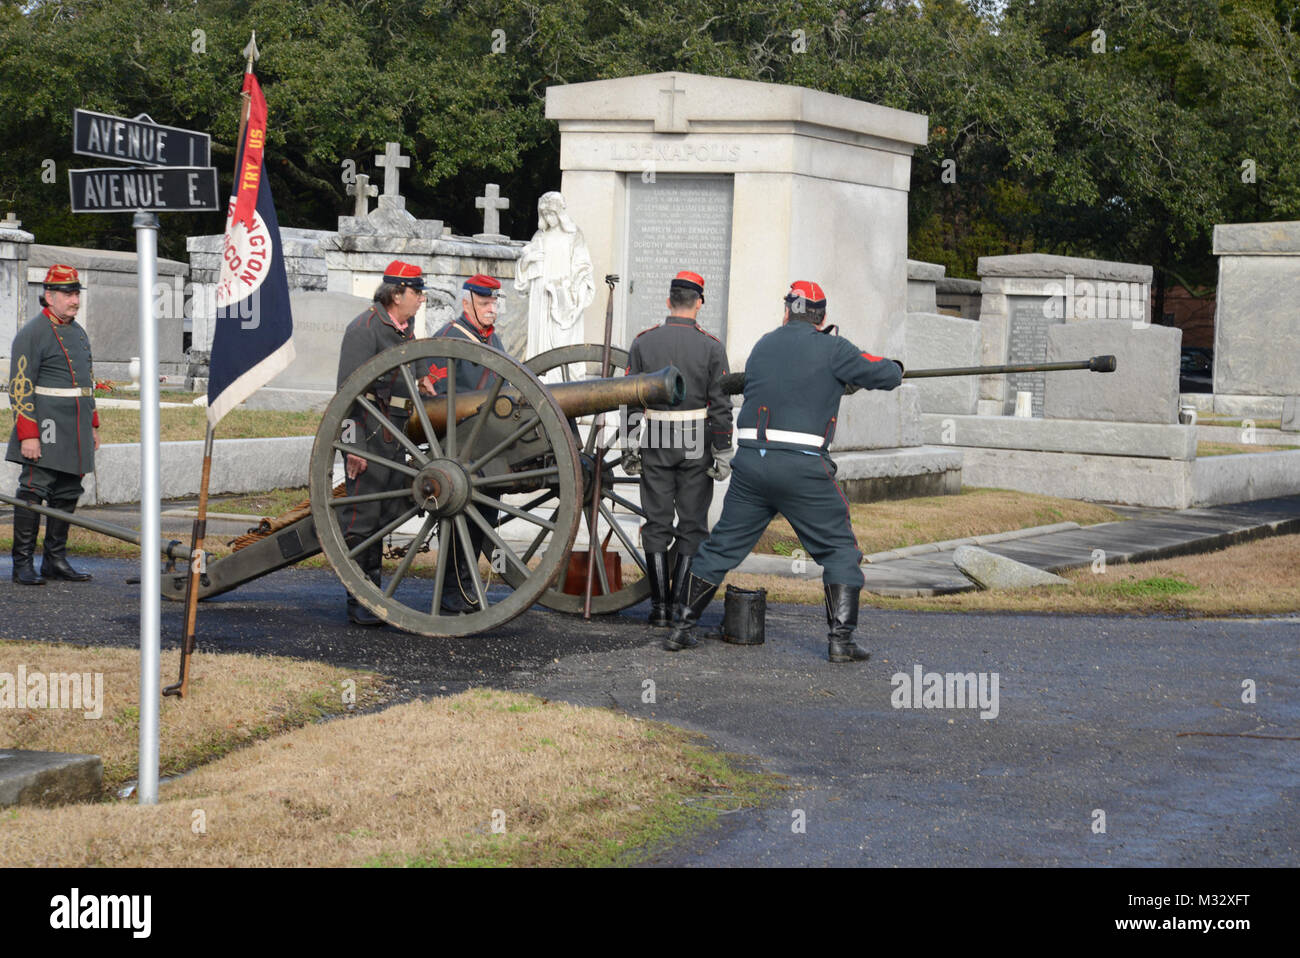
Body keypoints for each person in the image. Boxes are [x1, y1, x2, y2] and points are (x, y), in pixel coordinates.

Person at [663, 280, 903, 662]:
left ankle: (681, 628)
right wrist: (896, 368)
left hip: (753, 466)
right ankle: (841, 642)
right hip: (803, 467)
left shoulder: (764, 345)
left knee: (721, 547)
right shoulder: (833, 348)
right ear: (821, 318)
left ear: (787, 311)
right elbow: (883, 374)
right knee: (839, 549)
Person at [623, 271, 733, 627]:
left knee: (656, 521)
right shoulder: (712, 347)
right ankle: (678, 608)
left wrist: (630, 444)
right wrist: (722, 449)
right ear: (699, 303)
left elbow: (630, 400)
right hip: (694, 439)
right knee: (691, 524)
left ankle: (657, 608)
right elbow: (720, 404)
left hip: (655, 436)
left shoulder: (644, 343)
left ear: (669, 301)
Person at [335, 260, 429, 626]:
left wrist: (425, 380)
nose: (421, 299)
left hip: (396, 435)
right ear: (396, 294)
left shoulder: (404, 328)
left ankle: (371, 594)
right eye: (416, 292)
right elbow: (346, 394)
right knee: (363, 520)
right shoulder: (364, 330)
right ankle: (360, 601)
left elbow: (415, 362)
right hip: (369, 437)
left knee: (385, 515)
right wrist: (351, 448)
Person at [6, 264, 100, 585]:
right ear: (49, 296)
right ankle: (22, 564)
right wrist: (28, 434)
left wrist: (93, 424)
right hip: (44, 425)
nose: (74, 300)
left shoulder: (77, 331)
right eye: (67, 294)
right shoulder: (32, 333)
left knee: (68, 492)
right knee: (34, 490)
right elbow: (19, 387)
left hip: (75, 427)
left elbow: (86, 381)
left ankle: (54, 560)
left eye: (76, 293)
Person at [424, 274, 509, 613]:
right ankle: (450, 594)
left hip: (488, 451)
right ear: (467, 303)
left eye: (494, 303)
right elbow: (435, 399)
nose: (492, 309)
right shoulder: (448, 339)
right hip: (458, 450)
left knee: (482, 520)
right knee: (459, 524)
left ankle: (465, 587)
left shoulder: (493, 341)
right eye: (486, 303)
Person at [514, 191, 594, 378]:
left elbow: (584, 267)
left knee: (562, 341)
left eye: (551, 213)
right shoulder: (539, 236)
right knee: (540, 345)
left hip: (564, 298)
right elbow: (523, 274)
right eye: (544, 214)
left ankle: (563, 383)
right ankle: (542, 381)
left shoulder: (574, 235)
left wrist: (569, 288)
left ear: (559, 213)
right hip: (540, 296)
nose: (548, 218)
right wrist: (527, 261)